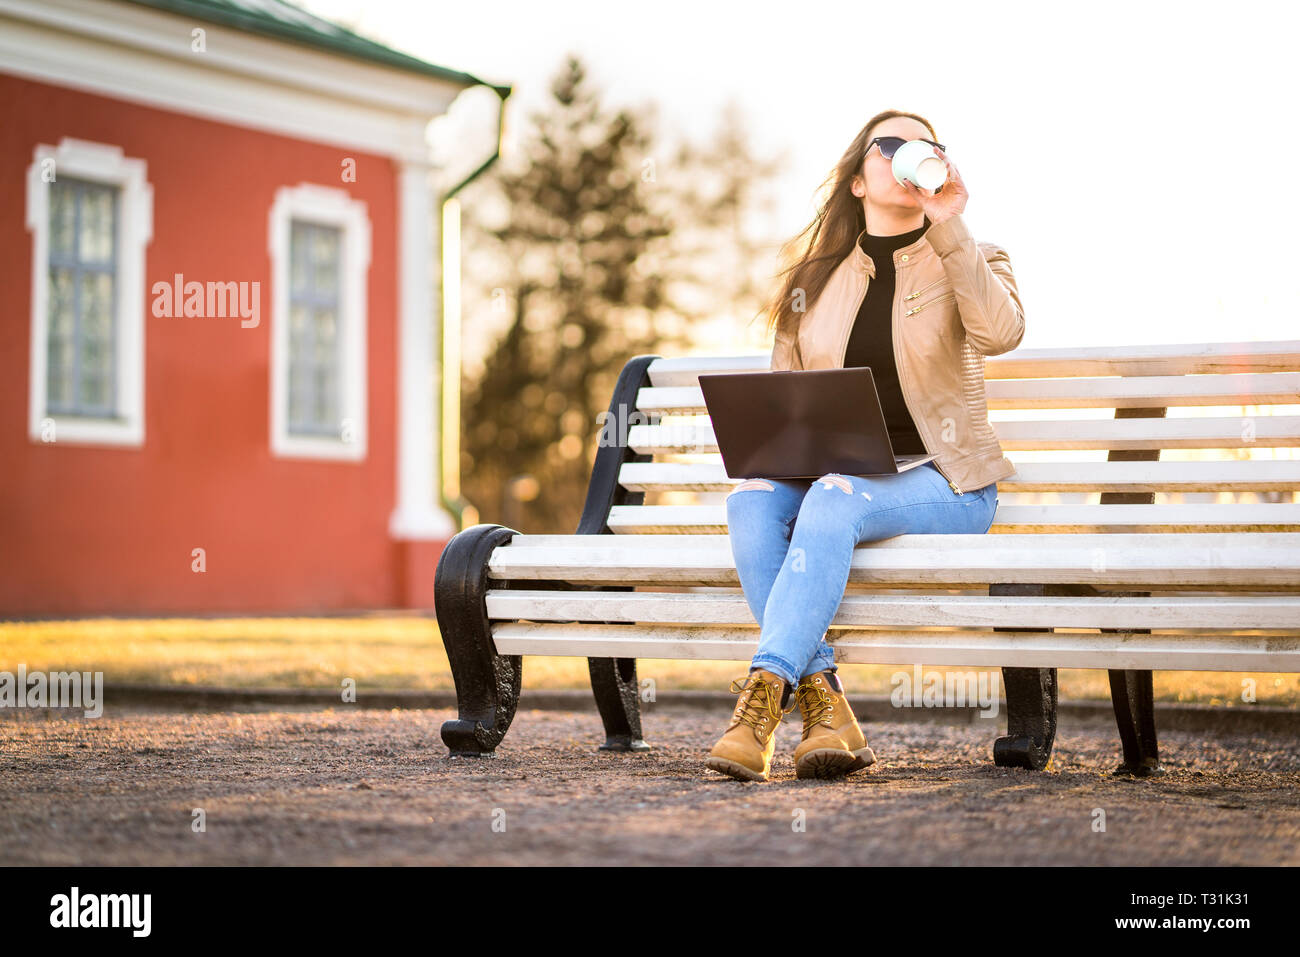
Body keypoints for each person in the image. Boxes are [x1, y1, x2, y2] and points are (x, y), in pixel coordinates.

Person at [706, 110, 1026, 782]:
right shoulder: (815, 281)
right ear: (858, 180)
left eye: (927, 146)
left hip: (951, 482)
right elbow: (785, 398)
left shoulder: (970, 254)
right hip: (843, 477)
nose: (914, 155)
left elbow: (1000, 334)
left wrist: (950, 226)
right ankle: (826, 707)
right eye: (895, 145)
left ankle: (758, 710)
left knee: (832, 494)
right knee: (752, 500)